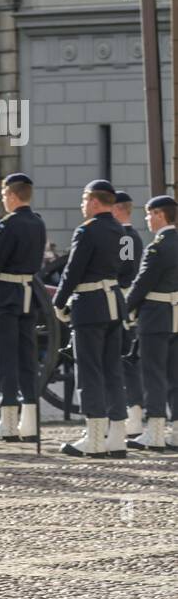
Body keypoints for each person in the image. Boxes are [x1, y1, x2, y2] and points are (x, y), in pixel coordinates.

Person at [55, 180, 127, 458]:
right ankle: (117, 437)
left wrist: (58, 303)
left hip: (90, 306)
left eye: (84, 200)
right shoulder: (121, 231)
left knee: (90, 371)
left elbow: (72, 271)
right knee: (113, 370)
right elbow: (128, 266)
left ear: (94, 202)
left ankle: (95, 438)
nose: (82, 205)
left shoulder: (86, 231)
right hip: (113, 304)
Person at [0, 173, 47, 442]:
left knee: (5, 359)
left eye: (3, 196)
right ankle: (30, 420)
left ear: (11, 195)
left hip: (6, 296)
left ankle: (8, 421)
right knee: (26, 358)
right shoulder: (38, 223)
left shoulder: (7, 224)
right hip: (28, 295)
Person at [124, 195, 178, 451]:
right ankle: (176, 431)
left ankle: (155, 432)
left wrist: (124, 310)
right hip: (175, 316)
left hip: (156, 317)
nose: (146, 219)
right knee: (175, 375)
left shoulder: (157, 247)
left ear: (159, 214)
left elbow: (142, 284)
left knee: (153, 374)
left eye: (148, 214)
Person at [113, 191, 146, 436]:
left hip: (122, 299)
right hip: (122, 299)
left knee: (126, 360)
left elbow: (124, 269)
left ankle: (133, 415)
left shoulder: (125, 237)